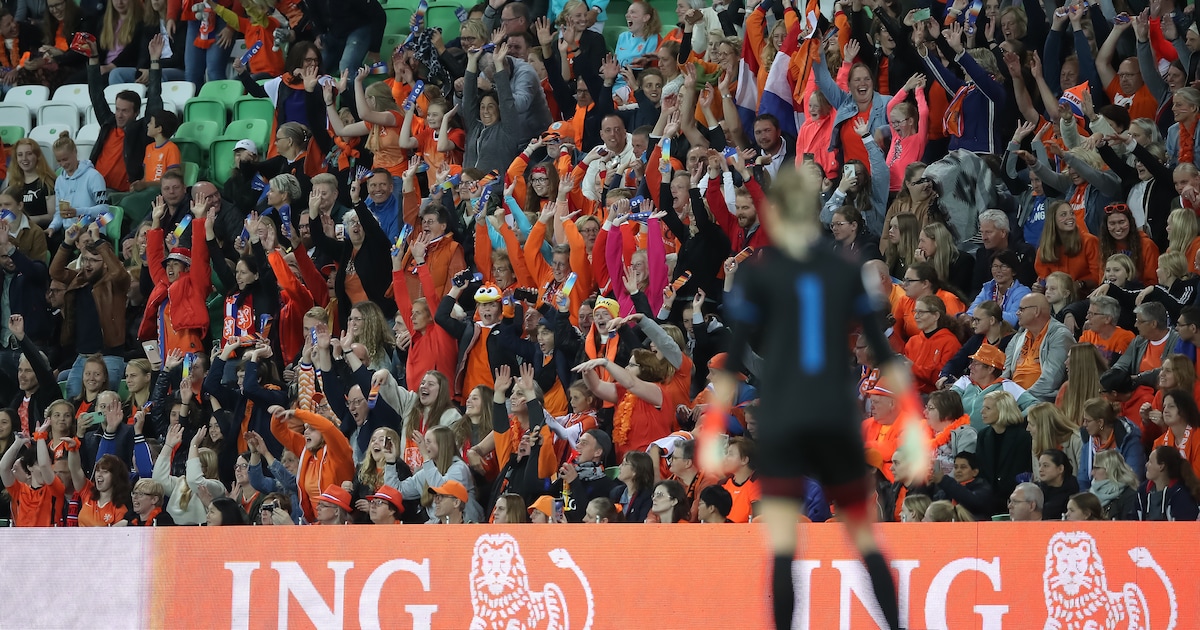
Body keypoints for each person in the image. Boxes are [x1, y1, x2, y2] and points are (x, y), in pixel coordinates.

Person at [718, 165, 902, 630]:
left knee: (783, 551)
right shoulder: (844, 270)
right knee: (864, 541)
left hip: (783, 419)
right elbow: (882, 351)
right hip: (833, 413)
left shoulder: (760, 274)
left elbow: (734, 353)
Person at [50, 223, 127, 399]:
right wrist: (67, 243)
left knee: (103, 403)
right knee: (72, 400)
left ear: (106, 263)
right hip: (83, 356)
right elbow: (55, 272)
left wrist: (99, 241)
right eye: (85, 259)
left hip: (109, 355)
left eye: (93, 260)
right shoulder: (79, 278)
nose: (88, 265)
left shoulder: (116, 283)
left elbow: (119, 272)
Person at [1003, 293, 1073, 401]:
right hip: (1016, 399)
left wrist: (1021, 399)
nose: (1017, 313)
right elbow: (1005, 372)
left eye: (1021, 309)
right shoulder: (1018, 337)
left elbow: (1051, 380)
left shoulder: (1060, 335)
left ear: (1036, 311)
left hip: (1042, 402)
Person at [1078, 397, 1146, 492]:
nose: (1084, 425)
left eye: (1087, 421)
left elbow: (1134, 477)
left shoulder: (1129, 439)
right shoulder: (1088, 440)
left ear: (1100, 422)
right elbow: (1083, 478)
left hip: (1121, 496)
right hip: (1095, 496)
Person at [553, 428, 619, 523]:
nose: (577, 446)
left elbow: (585, 518)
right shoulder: (567, 475)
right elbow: (537, 491)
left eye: (584, 443)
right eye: (578, 442)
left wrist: (574, 482)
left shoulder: (607, 486)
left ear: (598, 452)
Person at [930, 451, 996, 522]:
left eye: (963, 467)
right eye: (956, 467)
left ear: (975, 472)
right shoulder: (946, 490)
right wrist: (927, 486)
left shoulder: (983, 487)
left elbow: (972, 500)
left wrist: (944, 481)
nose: (958, 471)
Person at [1139, 445, 1200, 521]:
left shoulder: (1182, 497)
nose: (1146, 465)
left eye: (1150, 462)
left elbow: (1183, 531)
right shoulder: (1141, 492)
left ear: (1161, 466)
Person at [1090, 449, 1141, 520]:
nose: (1092, 473)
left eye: (1096, 468)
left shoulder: (1129, 496)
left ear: (1111, 469)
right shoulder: (1091, 494)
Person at [1036, 449, 1080, 520]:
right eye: (1040, 465)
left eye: (1046, 465)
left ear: (1060, 469)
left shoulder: (1074, 492)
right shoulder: (1036, 489)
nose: (1040, 469)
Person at [613, 450, 653, 524]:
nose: (619, 467)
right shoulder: (616, 493)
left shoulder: (647, 497)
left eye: (624, 464)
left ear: (635, 470)